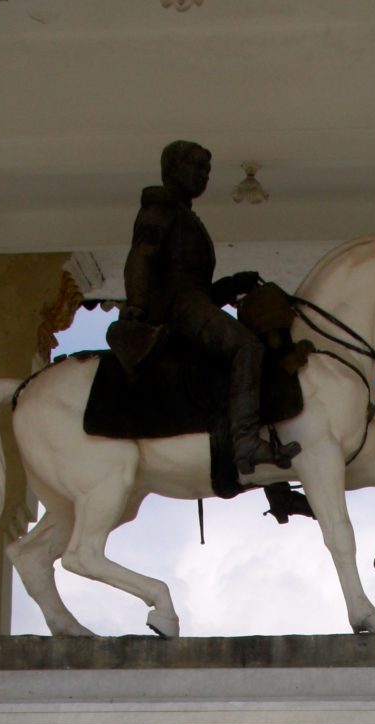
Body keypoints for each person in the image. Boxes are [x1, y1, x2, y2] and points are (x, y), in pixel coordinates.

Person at [108, 140, 299, 474]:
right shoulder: (160, 210)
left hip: (189, 300)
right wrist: (137, 308)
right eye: (196, 167)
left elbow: (193, 283)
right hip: (176, 306)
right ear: (172, 169)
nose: (203, 175)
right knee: (247, 346)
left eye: (206, 170)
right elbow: (140, 259)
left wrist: (232, 284)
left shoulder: (183, 214)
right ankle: (245, 441)